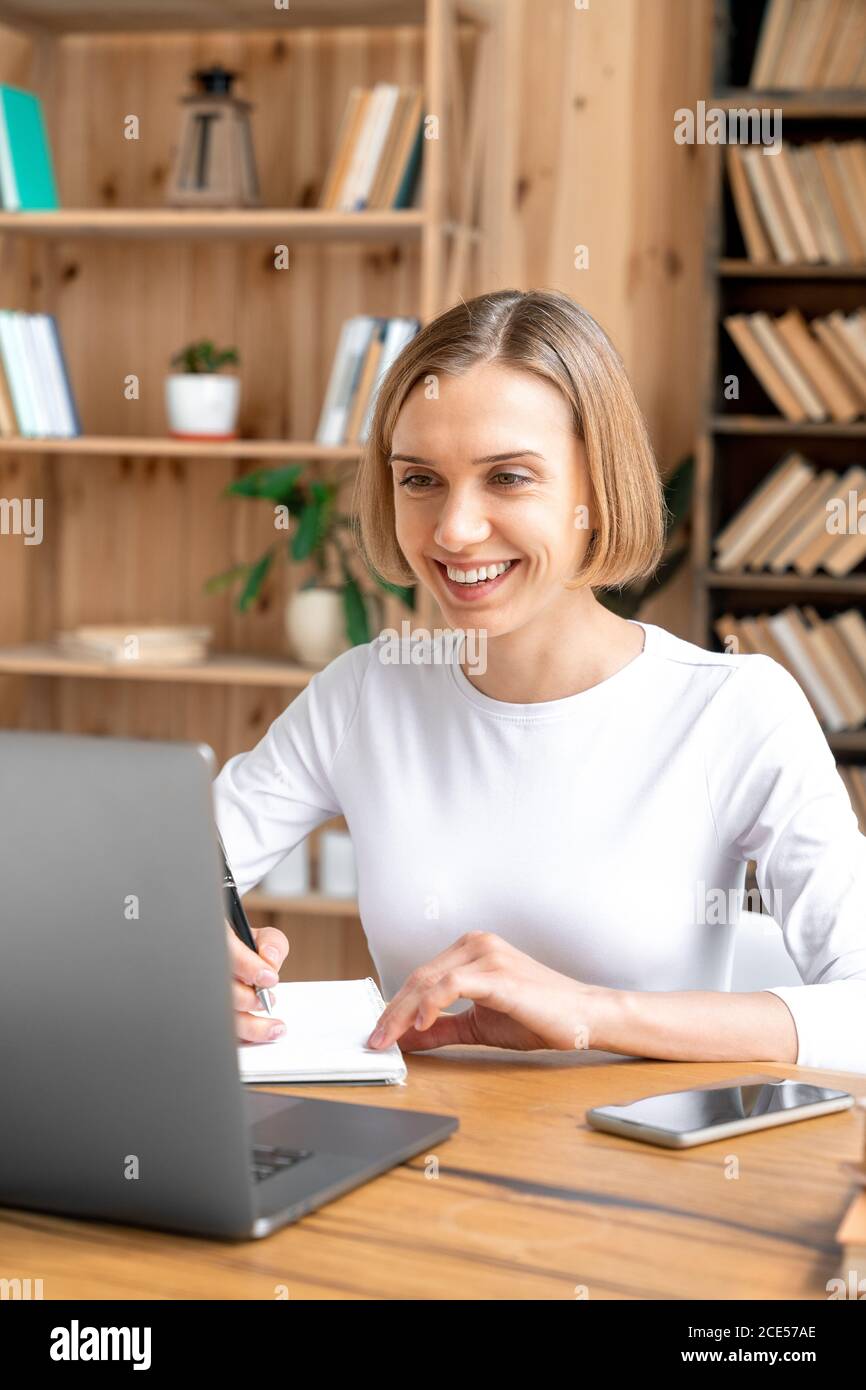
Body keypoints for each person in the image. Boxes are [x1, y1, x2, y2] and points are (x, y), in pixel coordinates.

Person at [213, 288, 866, 1073]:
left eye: (509, 477)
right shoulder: (364, 693)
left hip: (641, 1175)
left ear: (596, 486)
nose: (454, 529)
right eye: (419, 479)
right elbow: (147, 886)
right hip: (416, 1162)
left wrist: (589, 1013)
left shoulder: (732, 707)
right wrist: (185, 949)